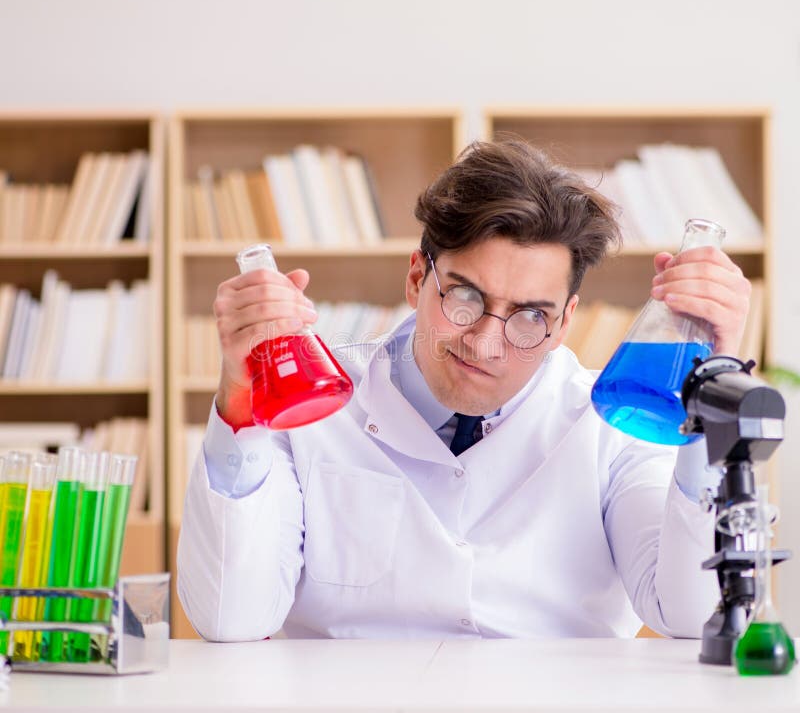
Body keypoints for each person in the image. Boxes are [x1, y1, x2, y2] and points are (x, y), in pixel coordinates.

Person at [177, 138, 751, 641]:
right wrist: (241, 397)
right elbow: (230, 617)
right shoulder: (313, 407)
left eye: (531, 315)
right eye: (465, 297)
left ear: (565, 322)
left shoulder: (611, 423)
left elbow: (693, 615)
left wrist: (712, 387)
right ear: (416, 278)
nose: (486, 343)